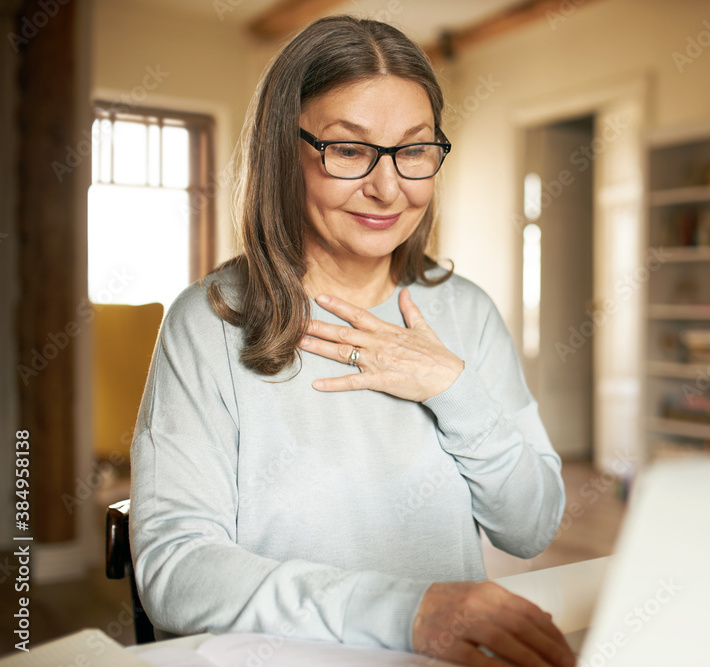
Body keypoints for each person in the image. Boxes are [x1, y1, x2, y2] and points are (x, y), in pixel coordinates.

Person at [129, 15, 575, 667]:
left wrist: (454, 389)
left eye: (415, 148)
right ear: (284, 150)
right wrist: (402, 610)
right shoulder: (209, 321)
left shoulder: (466, 310)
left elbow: (531, 526)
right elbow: (177, 570)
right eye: (348, 149)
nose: (388, 186)